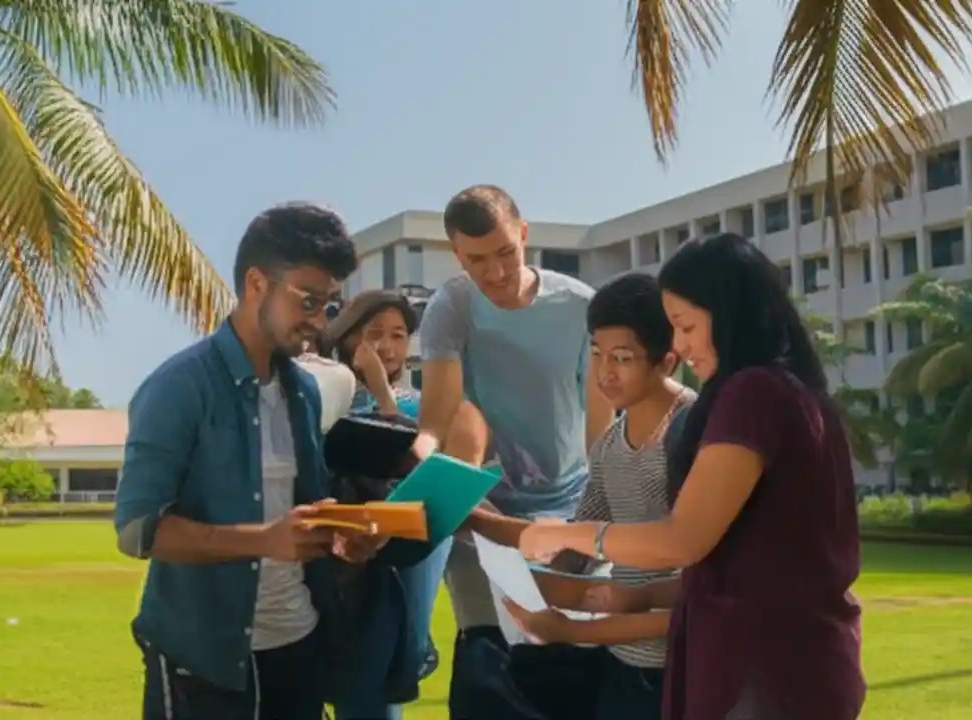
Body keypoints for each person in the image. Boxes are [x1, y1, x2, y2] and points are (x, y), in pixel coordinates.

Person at [517, 233, 866, 720]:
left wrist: (568, 535)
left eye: (686, 326)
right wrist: (642, 595)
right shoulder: (795, 393)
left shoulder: (754, 393)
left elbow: (683, 540)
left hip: (764, 672)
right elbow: (748, 562)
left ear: (728, 313)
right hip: (791, 661)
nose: (680, 345)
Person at [114, 202, 376, 720]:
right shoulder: (179, 387)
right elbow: (135, 530)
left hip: (298, 648)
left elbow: (297, 512)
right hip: (204, 664)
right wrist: (263, 540)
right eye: (307, 299)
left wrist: (342, 535)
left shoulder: (303, 391)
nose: (317, 321)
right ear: (257, 283)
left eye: (327, 304)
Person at [410, 184, 613, 715]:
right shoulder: (450, 307)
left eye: (506, 253)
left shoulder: (581, 307)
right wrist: (426, 465)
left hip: (569, 504)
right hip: (483, 511)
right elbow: (436, 418)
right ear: (457, 254)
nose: (495, 273)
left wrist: (589, 521)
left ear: (524, 234)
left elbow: (600, 432)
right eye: (477, 260)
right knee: (488, 658)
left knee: (568, 659)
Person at [464, 272, 695, 719]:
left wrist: (569, 627)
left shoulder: (697, 430)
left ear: (667, 361)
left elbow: (710, 576)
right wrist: (506, 555)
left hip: (689, 665)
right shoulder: (609, 445)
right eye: (595, 354)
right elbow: (575, 550)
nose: (605, 372)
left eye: (623, 357)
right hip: (624, 662)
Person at [319, 289, 484, 719]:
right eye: (374, 334)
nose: (387, 347)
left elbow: (416, 469)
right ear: (347, 337)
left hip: (402, 554)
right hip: (339, 556)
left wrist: (382, 394)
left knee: (384, 668)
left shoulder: (425, 406)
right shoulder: (324, 395)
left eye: (398, 335)